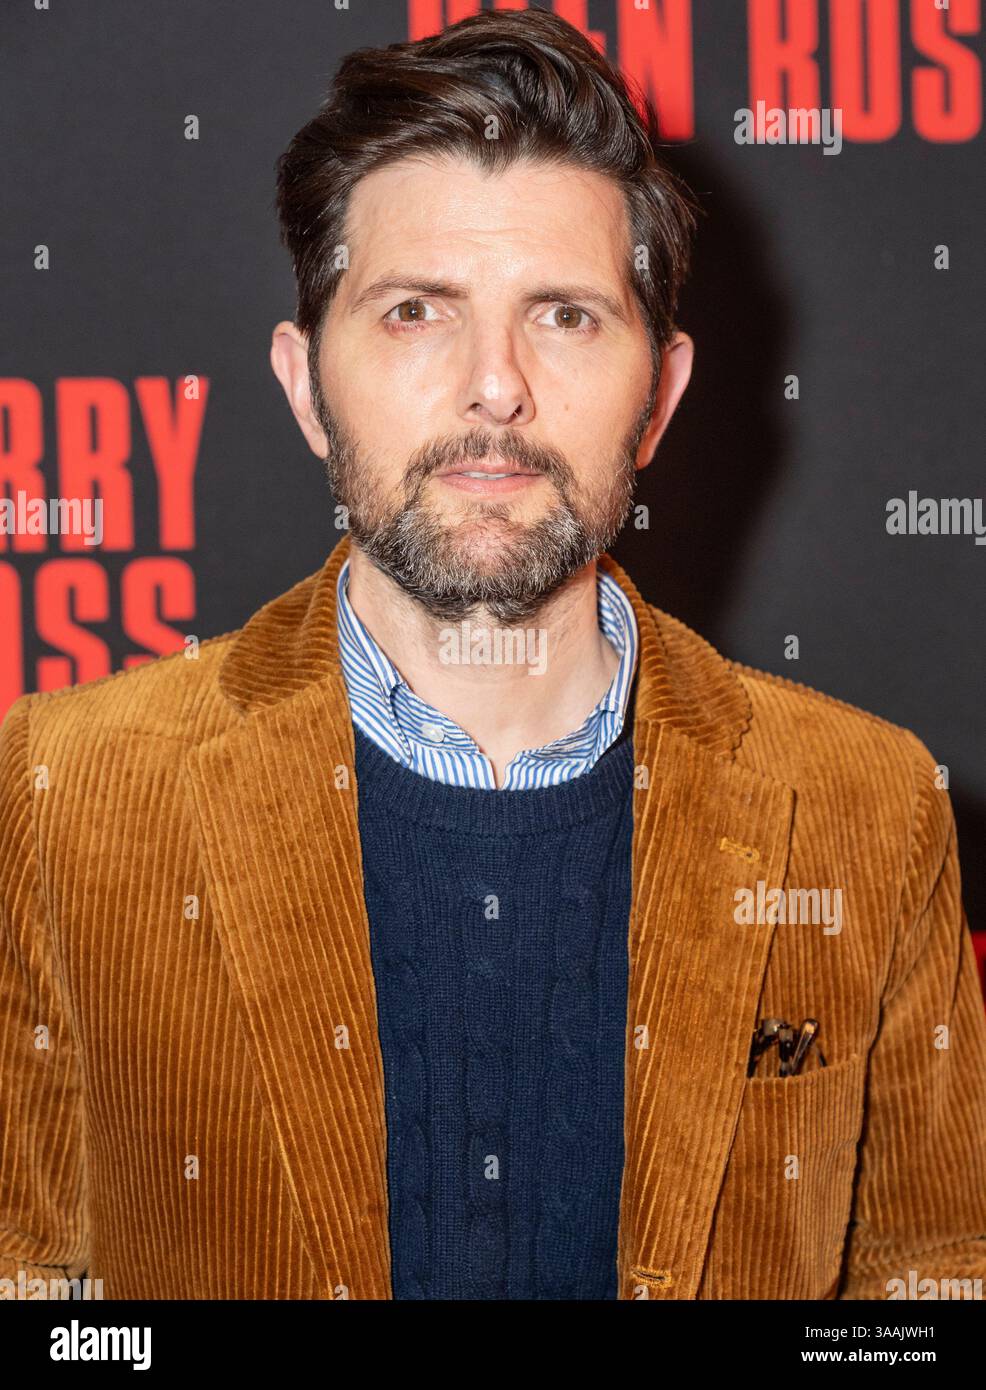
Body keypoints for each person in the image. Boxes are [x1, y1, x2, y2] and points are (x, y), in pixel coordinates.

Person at [2, 8, 984, 1302]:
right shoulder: (61, 793)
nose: (495, 387)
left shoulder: (867, 809)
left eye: (565, 317)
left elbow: (929, 1282)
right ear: (305, 386)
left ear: (661, 393)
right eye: (415, 311)